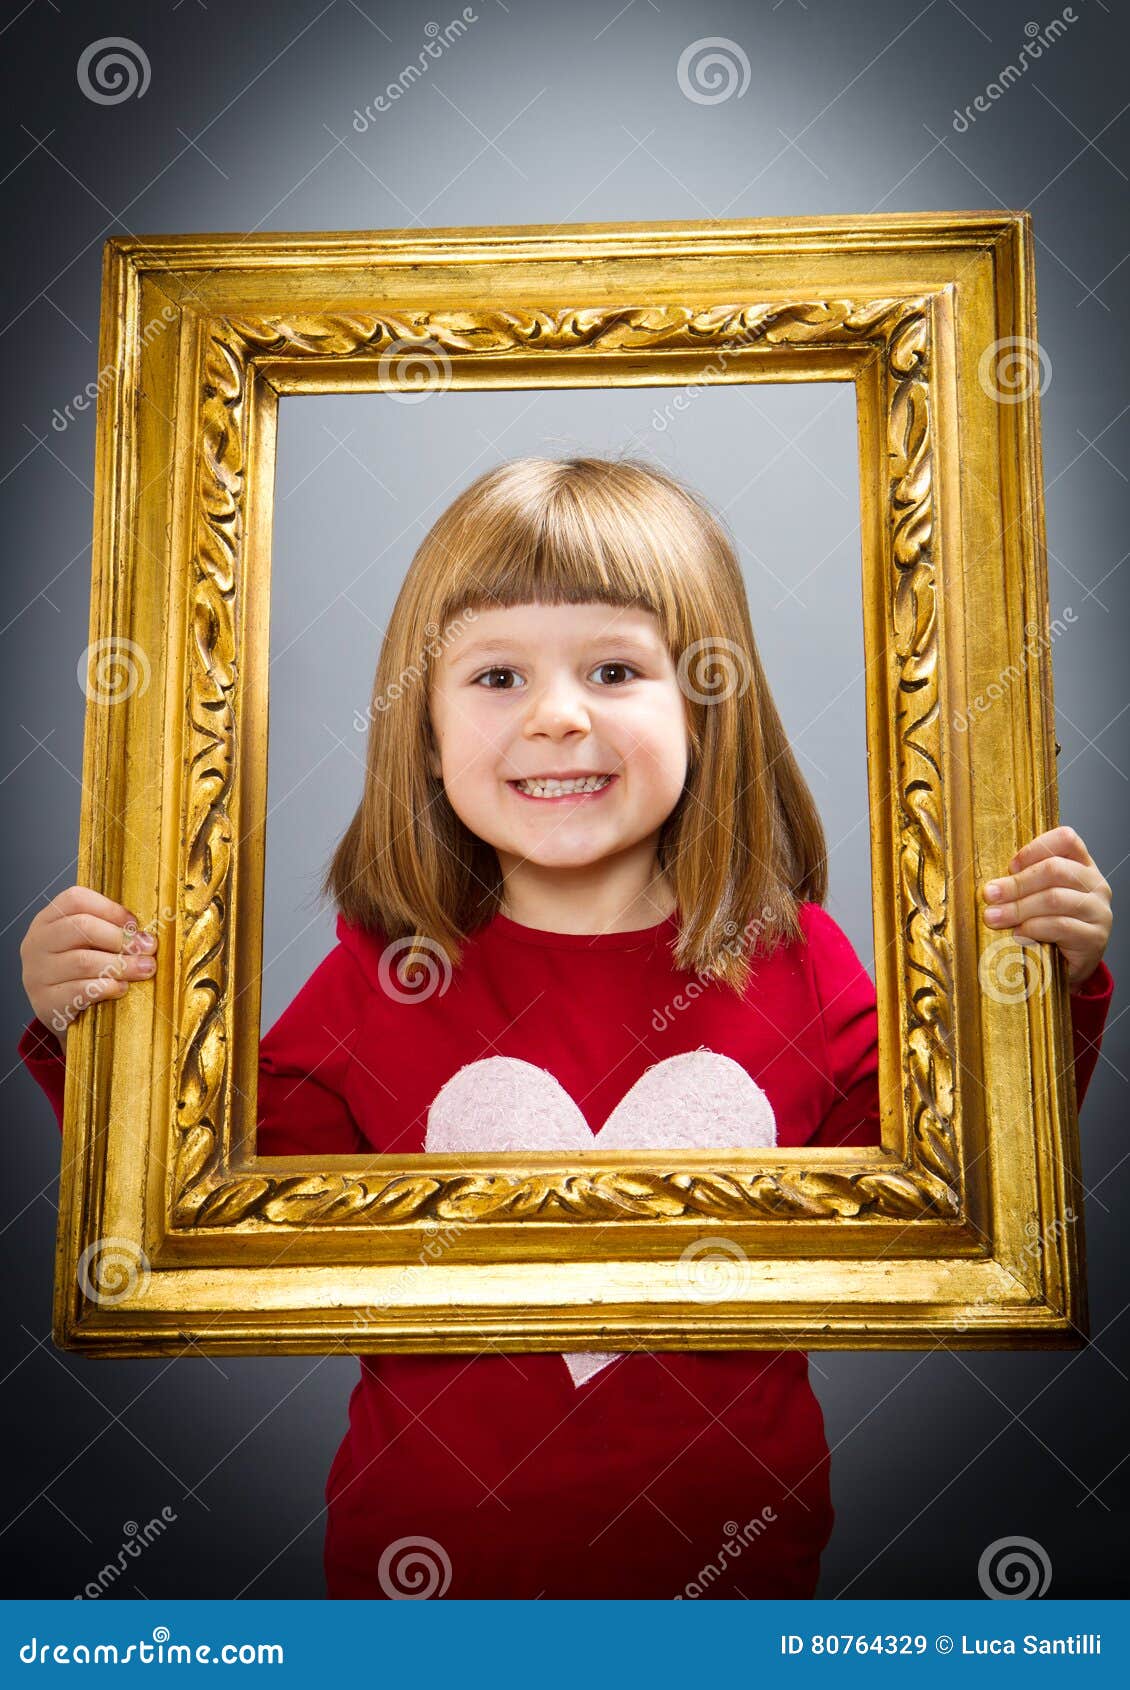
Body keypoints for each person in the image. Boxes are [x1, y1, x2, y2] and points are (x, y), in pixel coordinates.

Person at [18, 456, 1115, 1601]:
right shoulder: (381, 981)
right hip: (420, 1596)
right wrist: (91, 1024)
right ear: (427, 736)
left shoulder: (800, 967)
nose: (555, 714)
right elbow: (202, 1198)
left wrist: (1044, 983)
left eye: (613, 668)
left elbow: (958, 1186)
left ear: (707, 706)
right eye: (496, 674)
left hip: (738, 1588)